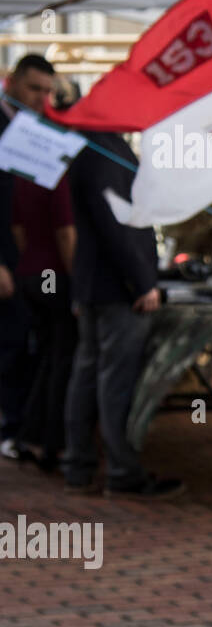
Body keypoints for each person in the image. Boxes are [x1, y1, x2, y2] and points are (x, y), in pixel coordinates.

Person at [62, 133, 183, 498]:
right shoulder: (104, 151)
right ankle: (121, 471)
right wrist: (142, 282)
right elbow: (116, 223)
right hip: (116, 289)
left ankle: (80, 466)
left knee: (89, 374)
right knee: (114, 381)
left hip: (98, 285)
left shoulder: (93, 147)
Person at [10, 133, 78, 472]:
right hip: (51, 275)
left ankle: (33, 437)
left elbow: (19, 228)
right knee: (61, 356)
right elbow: (66, 234)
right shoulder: (59, 178)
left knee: (49, 355)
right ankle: (53, 442)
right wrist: (76, 283)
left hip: (29, 272)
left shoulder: (26, 177)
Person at [0, 55, 56, 462]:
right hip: (6, 260)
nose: (43, 98)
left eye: (49, 91)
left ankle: (22, 427)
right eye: (35, 89)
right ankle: (10, 427)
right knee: (11, 341)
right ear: (12, 82)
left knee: (28, 341)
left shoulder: (37, 129)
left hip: (32, 261)